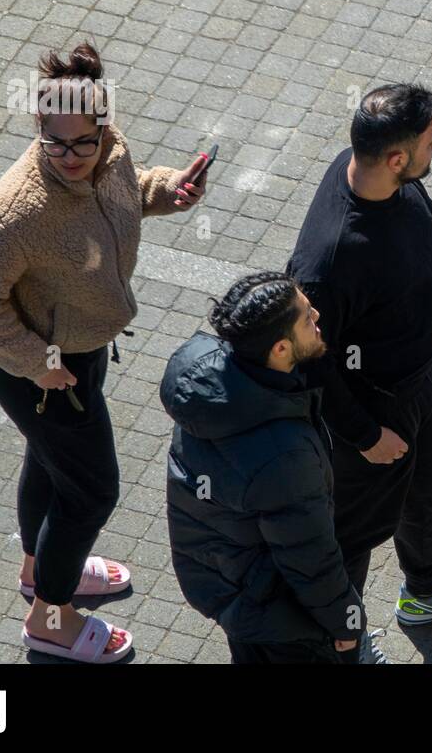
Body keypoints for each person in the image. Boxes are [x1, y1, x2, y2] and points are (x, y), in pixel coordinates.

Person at [0, 41, 208, 663]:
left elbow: (121, 191)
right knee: (91, 491)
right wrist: (39, 360)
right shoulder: (17, 212)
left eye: (82, 142)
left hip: (80, 351)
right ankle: (50, 620)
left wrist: (164, 192)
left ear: (102, 126)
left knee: (51, 465)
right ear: (38, 128)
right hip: (41, 372)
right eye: (54, 143)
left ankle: (42, 571)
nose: (70, 158)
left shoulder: (109, 154)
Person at [287, 83, 432, 627]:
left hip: (427, 373)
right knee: (349, 533)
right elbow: (308, 362)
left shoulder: (386, 180)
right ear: (397, 158)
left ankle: (428, 590)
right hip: (376, 411)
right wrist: (363, 435)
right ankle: (341, 638)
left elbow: (422, 258)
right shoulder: (330, 261)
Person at [162, 272, 380, 664]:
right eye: (306, 318)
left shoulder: (212, 385)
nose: (317, 314)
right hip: (278, 612)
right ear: (281, 349)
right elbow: (309, 556)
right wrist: (347, 624)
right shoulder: (282, 456)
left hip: (230, 585)